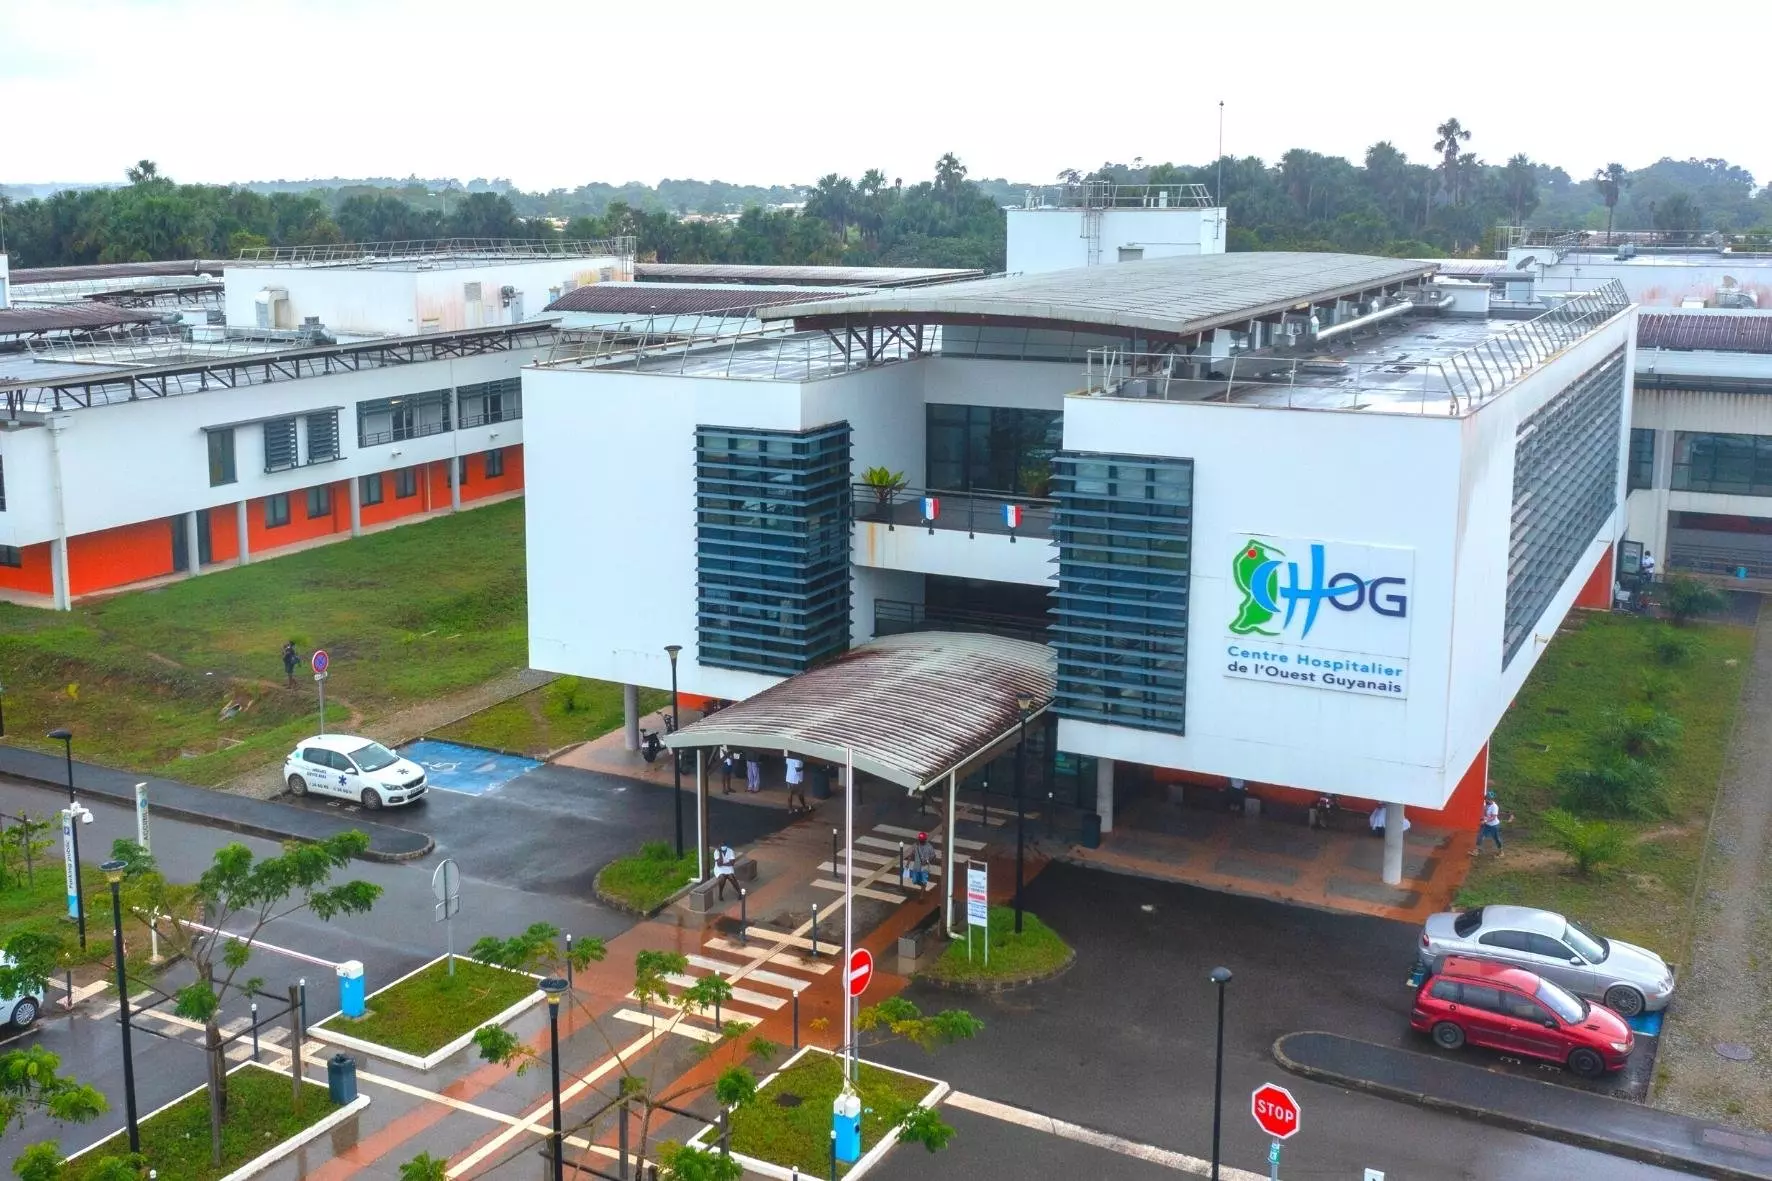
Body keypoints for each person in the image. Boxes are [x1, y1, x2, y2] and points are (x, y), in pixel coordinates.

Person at [1472, 790, 1513, 857]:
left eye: (1487, 799)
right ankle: (1476, 851)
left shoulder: (1494, 807)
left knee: (1496, 838)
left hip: (1494, 826)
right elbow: (1484, 813)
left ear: (1491, 799)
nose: (1486, 800)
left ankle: (1501, 852)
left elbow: (1493, 817)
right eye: (1486, 798)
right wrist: (1482, 819)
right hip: (1486, 825)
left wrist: (1484, 821)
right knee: (1480, 836)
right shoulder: (1486, 805)